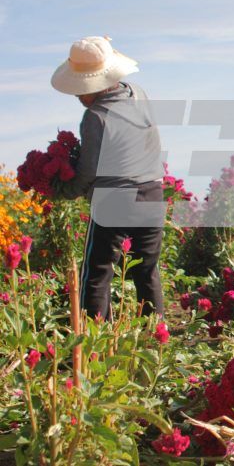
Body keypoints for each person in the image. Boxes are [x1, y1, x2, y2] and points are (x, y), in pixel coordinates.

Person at [51, 36, 166, 320]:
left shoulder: (95, 116)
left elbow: (89, 170)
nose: (79, 96)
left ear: (98, 85)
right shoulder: (137, 93)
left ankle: (92, 344)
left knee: (97, 273)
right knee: (146, 271)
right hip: (152, 192)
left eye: (81, 89)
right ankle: (154, 336)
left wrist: (66, 190)